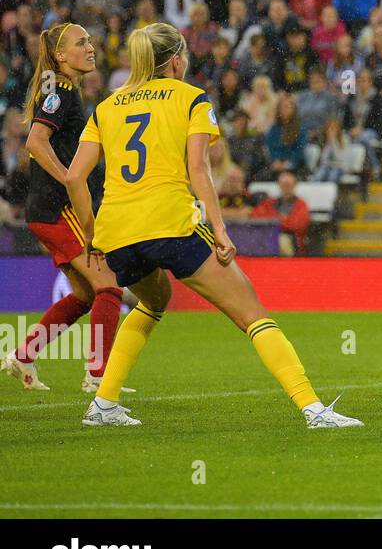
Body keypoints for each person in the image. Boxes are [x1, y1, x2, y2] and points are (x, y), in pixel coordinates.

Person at [65, 22, 361, 429]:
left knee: (154, 300)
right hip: (171, 223)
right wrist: (220, 229)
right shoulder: (191, 98)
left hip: (117, 232)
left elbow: (73, 177)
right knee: (251, 312)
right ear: (174, 61)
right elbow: (199, 170)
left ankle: (103, 404)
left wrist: (90, 233)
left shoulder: (107, 106)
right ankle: (313, 408)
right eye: (183, 55)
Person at [2, 24, 124, 394]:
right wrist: (71, 179)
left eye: (89, 40)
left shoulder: (57, 86)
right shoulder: (64, 91)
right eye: (81, 43)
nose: (90, 47)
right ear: (60, 54)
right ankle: (99, 377)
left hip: (44, 209)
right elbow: (36, 143)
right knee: (109, 287)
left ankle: (23, 355)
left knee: (86, 295)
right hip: (57, 207)